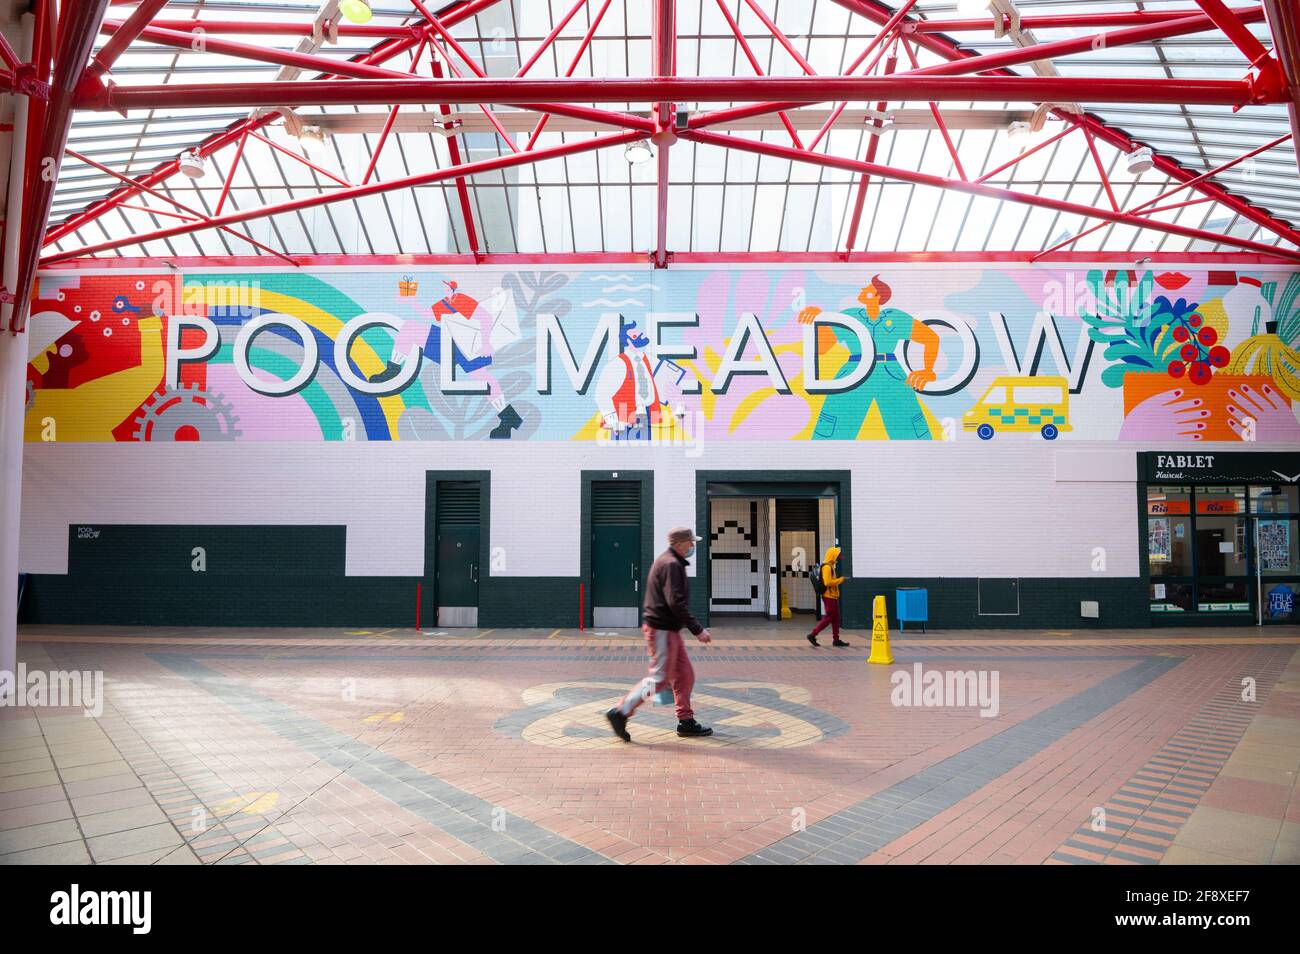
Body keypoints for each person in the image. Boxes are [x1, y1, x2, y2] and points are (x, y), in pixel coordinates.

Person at [797, 275, 939, 441]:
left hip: (890, 373)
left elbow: (931, 338)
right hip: (854, 373)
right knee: (832, 432)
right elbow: (821, 349)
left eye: (868, 288)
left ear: (877, 296)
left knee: (912, 431)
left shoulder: (895, 317)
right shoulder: (849, 316)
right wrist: (818, 321)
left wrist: (928, 370)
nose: (862, 290)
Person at [606, 527, 714, 741]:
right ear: (680, 544)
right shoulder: (671, 564)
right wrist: (697, 629)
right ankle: (620, 711)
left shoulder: (668, 561)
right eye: (690, 543)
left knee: (685, 675)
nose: (693, 547)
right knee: (660, 678)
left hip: (669, 630)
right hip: (662, 629)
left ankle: (686, 721)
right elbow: (675, 602)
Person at [807, 546, 850, 647]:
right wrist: (841, 579)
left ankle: (836, 640)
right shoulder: (827, 567)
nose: (840, 556)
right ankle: (813, 634)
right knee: (829, 617)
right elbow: (827, 582)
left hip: (832, 596)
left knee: (836, 619)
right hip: (829, 596)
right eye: (838, 555)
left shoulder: (830, 566)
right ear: (833, 555)